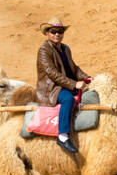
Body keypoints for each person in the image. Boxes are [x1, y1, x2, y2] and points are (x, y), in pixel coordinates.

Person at [36, 17, 92, 155]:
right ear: (47, 33)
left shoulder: (65, 48)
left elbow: (74, 68)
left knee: (91, 94)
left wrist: (86, 77)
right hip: (52, 88)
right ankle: (63, 135)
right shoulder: (44, 50)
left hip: (65, 84)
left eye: (60, 31)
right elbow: (52, 74)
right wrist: (74, 84)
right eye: (54, 31)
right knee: (67, 99)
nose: (57, 34)